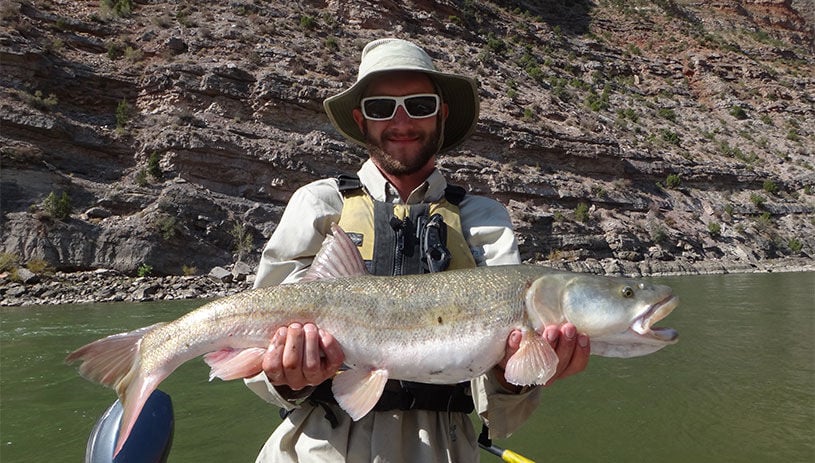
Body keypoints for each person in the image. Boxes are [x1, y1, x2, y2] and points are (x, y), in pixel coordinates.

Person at [245, 38, 591, 462]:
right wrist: (286, 376)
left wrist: (518, 376)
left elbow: (504, 405)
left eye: (419, 105)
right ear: (361, 119)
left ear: (441, 114)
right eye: (381, 108)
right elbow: (261, 372)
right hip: (319, 446)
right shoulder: (318, 204)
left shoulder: (485, 219)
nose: (402, 120)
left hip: (444, 447)